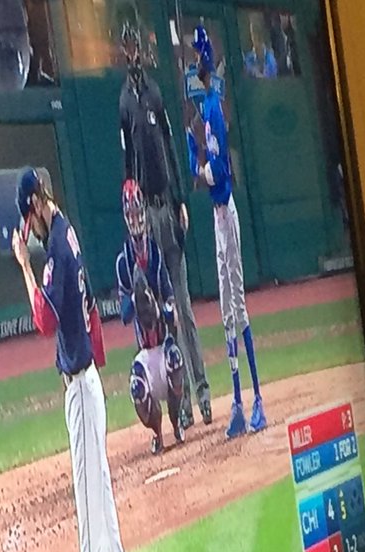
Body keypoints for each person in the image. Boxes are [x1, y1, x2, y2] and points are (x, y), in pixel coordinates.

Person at [10, 167, 149, 552]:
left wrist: (23, 265)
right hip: (89, 387)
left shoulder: (55, 251)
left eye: (27, 216)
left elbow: (44, 320)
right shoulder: (69, 235)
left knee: (92, 549)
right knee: (109, 543)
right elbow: (87, 322)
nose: (28, 226)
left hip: (81, 395)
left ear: (34, 207)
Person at [118, 23, 211, 429]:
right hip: (146, 216)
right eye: (128, 47)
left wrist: (180, 200)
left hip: (167, 207)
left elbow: (171, 147)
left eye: (136, 45)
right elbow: (127, 165)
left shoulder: (155, 92)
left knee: (184, 307)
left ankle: (202, 390)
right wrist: (134, 222)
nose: (133, 52)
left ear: (144, 49)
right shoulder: (124, 101)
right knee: (164, 313)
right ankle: (180, 402)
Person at [187, 25, 266, 439]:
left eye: (196, 60)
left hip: (227, 214)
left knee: (238, 305)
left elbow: (217, 171)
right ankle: (236, 401)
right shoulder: (206, 112)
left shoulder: (214, 110)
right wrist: (193, 153)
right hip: (217, 218)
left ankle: (257, 399)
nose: (193, 68)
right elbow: (201, 169)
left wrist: (199, 165)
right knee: (224, 309)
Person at [117, 179, 186, 455]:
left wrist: (162, 310)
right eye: (131, 215)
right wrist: (137, 301)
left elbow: (170, 299)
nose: (136, 220)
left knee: (175, 359)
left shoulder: (156, 253)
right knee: (136, 386)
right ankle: (157, 433)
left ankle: (176, 421)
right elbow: (124, 315)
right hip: (145, 352)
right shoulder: (123, 261)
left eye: (138, 213)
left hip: (162, 342)